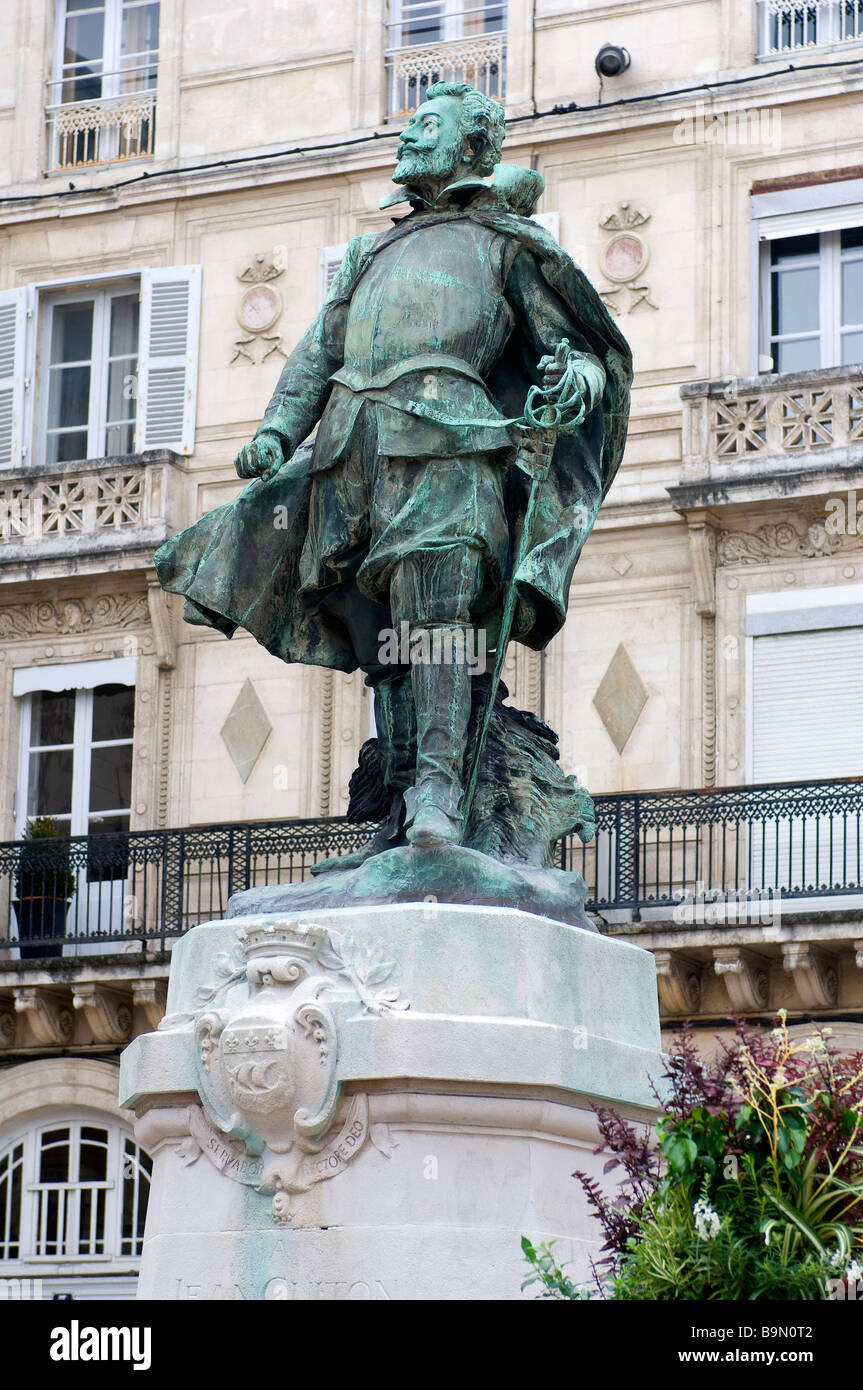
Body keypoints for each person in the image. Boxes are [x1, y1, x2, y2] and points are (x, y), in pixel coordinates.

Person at [155, 82, 632, 856]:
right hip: (351, 447)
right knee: (380, 636)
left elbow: (572, 347)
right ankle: (403, 801)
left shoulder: (504, 244)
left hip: (450, 439)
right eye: (409, 126)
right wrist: (279, 432)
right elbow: (318, 349)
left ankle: (441, 789)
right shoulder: (370, 250)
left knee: (434, 611)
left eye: (428, 127)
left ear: (471, 148)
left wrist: (577, 378)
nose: (408, 139)